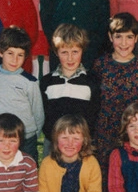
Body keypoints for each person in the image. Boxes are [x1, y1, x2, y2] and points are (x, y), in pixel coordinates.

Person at [90, 12, 138, 189]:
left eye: (129, 37)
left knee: (130, 176)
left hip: (132, 131)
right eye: (118, 37)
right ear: (110, 37)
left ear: (136, 38)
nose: (124, 43)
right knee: (107, 177)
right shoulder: (100, 65)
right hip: (105, 130)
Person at [0, 26, 44, 164]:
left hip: (26, 139)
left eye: (20, 55)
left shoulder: (30, 82)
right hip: (0, 138)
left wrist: (31, 134)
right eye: (10, 53)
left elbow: (38, 113)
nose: (14, 60)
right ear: (0, 52)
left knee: (26, 174)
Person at [39, 24, 100, 155]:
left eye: (75, 52)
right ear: (56, 52)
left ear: (82, 51)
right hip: (53, 145)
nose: (70, 58)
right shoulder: (47, 82)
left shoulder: (92, 80)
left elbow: (95, 115)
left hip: (81, 146)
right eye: (64, 52)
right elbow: (43, 116)